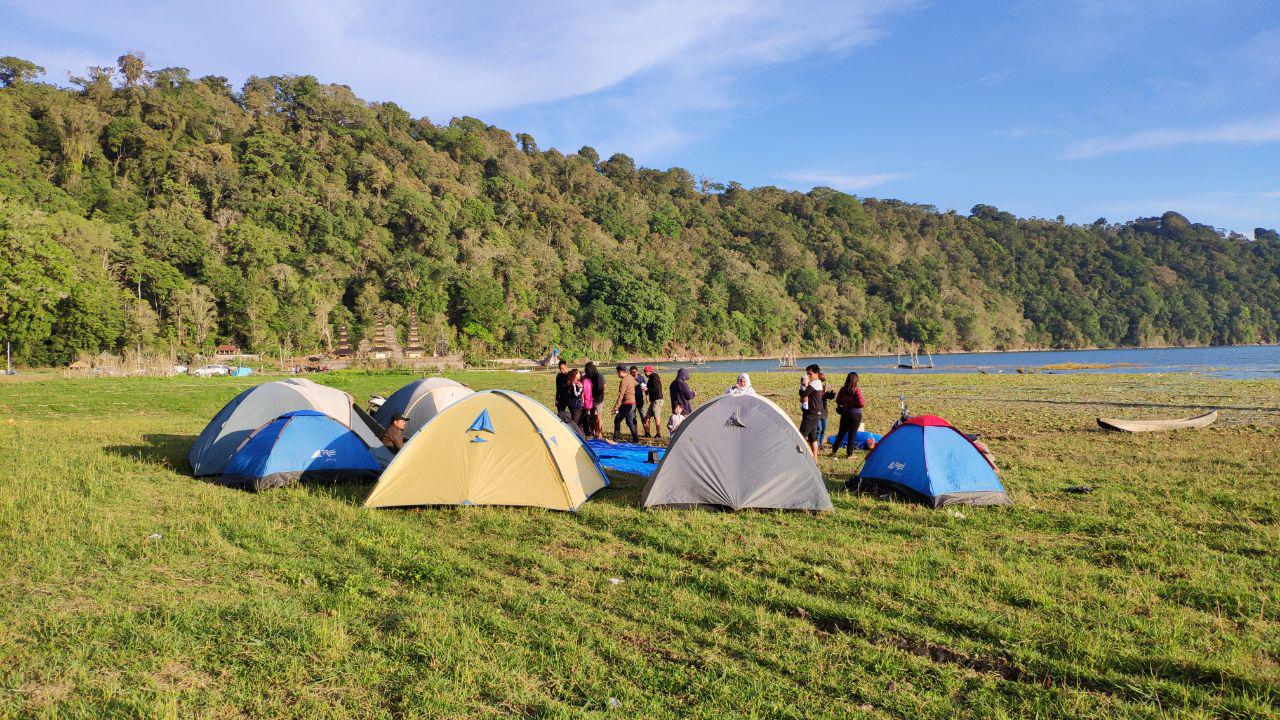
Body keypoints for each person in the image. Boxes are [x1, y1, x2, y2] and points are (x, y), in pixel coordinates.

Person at [798, 364, 834, 458]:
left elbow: (803, 394)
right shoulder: (818, 383)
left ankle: (803, 456)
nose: (808, 376)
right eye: (807, 374)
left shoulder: (814, 383)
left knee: (801, 435)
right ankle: (815, 460)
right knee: (813, 438)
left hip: (811, 414)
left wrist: (802, 385)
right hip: (816, 414)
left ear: (816, 373)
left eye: (810, 374)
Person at [831, 372, 865, 458]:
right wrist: (854, 405)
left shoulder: (843, 389)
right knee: (852, 435)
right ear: (856, 380)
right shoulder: (856, 390)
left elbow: (838, 400)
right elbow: (861, 403)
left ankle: (834, 451)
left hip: (845, 413)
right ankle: (849, 454)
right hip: (855, 414)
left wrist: (845, 404)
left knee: (841, 433)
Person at [612, 364, 639, 443]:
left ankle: (615, 439)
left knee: (617, 420)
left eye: (617, 372)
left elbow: (621, 395)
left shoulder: (624, 380)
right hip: (633, 403)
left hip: (627, 404)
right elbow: (637, 385)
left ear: (620, 372)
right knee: (630, 422)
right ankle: (636, 439)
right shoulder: (631, 377)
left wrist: (616, 407)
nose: (617, 374)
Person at [585, 361, 606, 439]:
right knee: (592, 416)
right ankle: (593, 431)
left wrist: (595, 398)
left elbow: (602, 388)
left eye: (588, 371)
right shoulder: (588, 376)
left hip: (599, 399)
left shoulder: (599, 376)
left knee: (598, 416)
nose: (587, 373)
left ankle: (599, 432)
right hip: (591, 399)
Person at [642, 365, 663, 438]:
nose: (644, 373)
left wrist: (647, 389)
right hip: (653, 401)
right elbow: (649, 389)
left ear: (650, 371)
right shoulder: (650, 379)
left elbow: (657, 389)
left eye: (645, 372)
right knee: (647, 417)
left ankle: (658, 434)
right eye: (644, 372)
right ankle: (647, 433)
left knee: (656, 417)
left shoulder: (655, 377)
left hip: (657, 400)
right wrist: (646, 390)